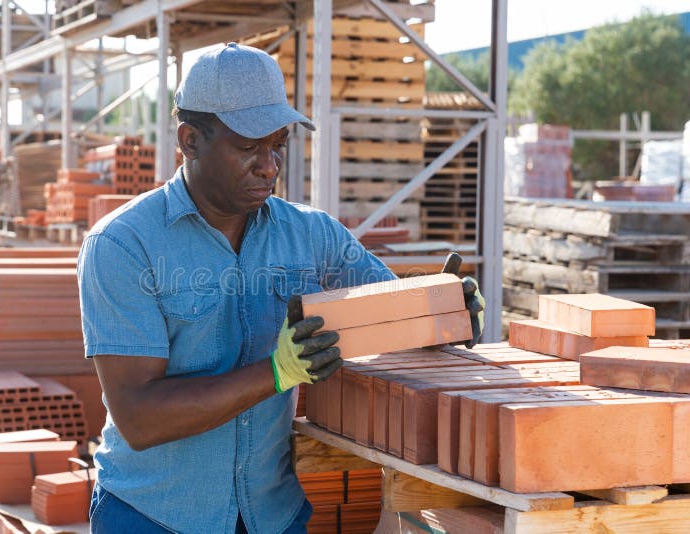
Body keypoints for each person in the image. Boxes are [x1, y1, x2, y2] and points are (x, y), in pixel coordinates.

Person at [77, 42, 483, 534]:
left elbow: (390, 313)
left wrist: (445, 308)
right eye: (248, 147)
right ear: (190, 140)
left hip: (272, 515)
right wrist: (276, 371)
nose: (269, 165)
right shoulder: (123, 246)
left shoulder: (312, 235)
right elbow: (139, 417)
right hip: (153, 516)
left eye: (278, 145)